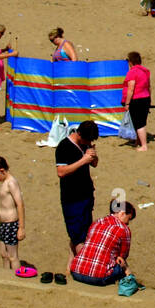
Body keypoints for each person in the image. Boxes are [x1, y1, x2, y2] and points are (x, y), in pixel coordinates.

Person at [55, 120, 100, 255]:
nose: (88, 143)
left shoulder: (86, 145)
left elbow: (95, 164)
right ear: (79, 134)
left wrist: (93, 155)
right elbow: (61, 172)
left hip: (86, 195)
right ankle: (81, 266)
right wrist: (83, 161)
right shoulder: (64, 146)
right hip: (72, 198)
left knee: (85, 234)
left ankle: (71, 264)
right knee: (77, 237)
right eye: (87, 140)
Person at [69, 198, 135, 286]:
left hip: (76, 271)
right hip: (99, 277)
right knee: (120, 266)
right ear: (122, 214)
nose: (128, 223)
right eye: (128, 219)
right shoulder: (124, 229)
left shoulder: (97, 222)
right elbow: (123, 256)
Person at [0, 156, 26, 273]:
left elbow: (20, 204)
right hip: (3, 224)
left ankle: (17, 281)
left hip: (11, 223)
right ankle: (5, 277)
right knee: (4, 254)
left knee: (12, 256)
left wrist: (21, 228)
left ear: (2, 171)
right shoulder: (5, 182)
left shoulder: (11, 183)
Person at [123, 51, 152, 152]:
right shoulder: (145, 71)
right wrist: (150, 100)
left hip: (137, 99)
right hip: (146, 98)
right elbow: (149, 87)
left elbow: (131, 89)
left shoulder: (132, 72)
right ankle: (138, 142)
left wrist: (127, 103)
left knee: (138, 123)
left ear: (131, 61)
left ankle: (144, 145)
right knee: (141, 121)